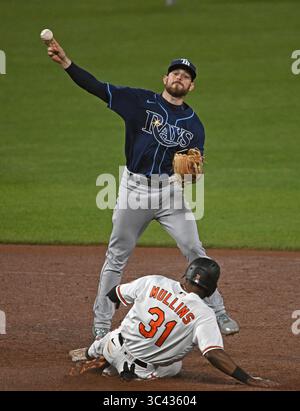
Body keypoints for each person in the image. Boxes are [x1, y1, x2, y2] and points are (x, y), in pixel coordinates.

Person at [46, 38, 239, 339]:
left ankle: (219, 311)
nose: (179, 77)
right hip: (134, 190)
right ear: (165, 78)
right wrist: (67, 63)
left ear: (191, 87)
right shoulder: (139, 101)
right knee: (117, 255)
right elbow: (97, 87)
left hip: (170, 193)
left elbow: (195, 168)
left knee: (194, 249)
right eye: (175, 73)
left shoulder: (194, 124)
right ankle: (100, 328)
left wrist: (194, 174)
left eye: (186, 76)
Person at [70, 257, 276, 388]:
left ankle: (93, 352)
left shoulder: (153, 281)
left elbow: (113, 294)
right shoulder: (204, 314)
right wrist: (248, 378)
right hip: (139, 369)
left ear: (186, 276)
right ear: (211, 289)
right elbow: (213, 353)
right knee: (175, 366)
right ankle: (112, 369)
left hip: (114, 343)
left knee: (117, 334)